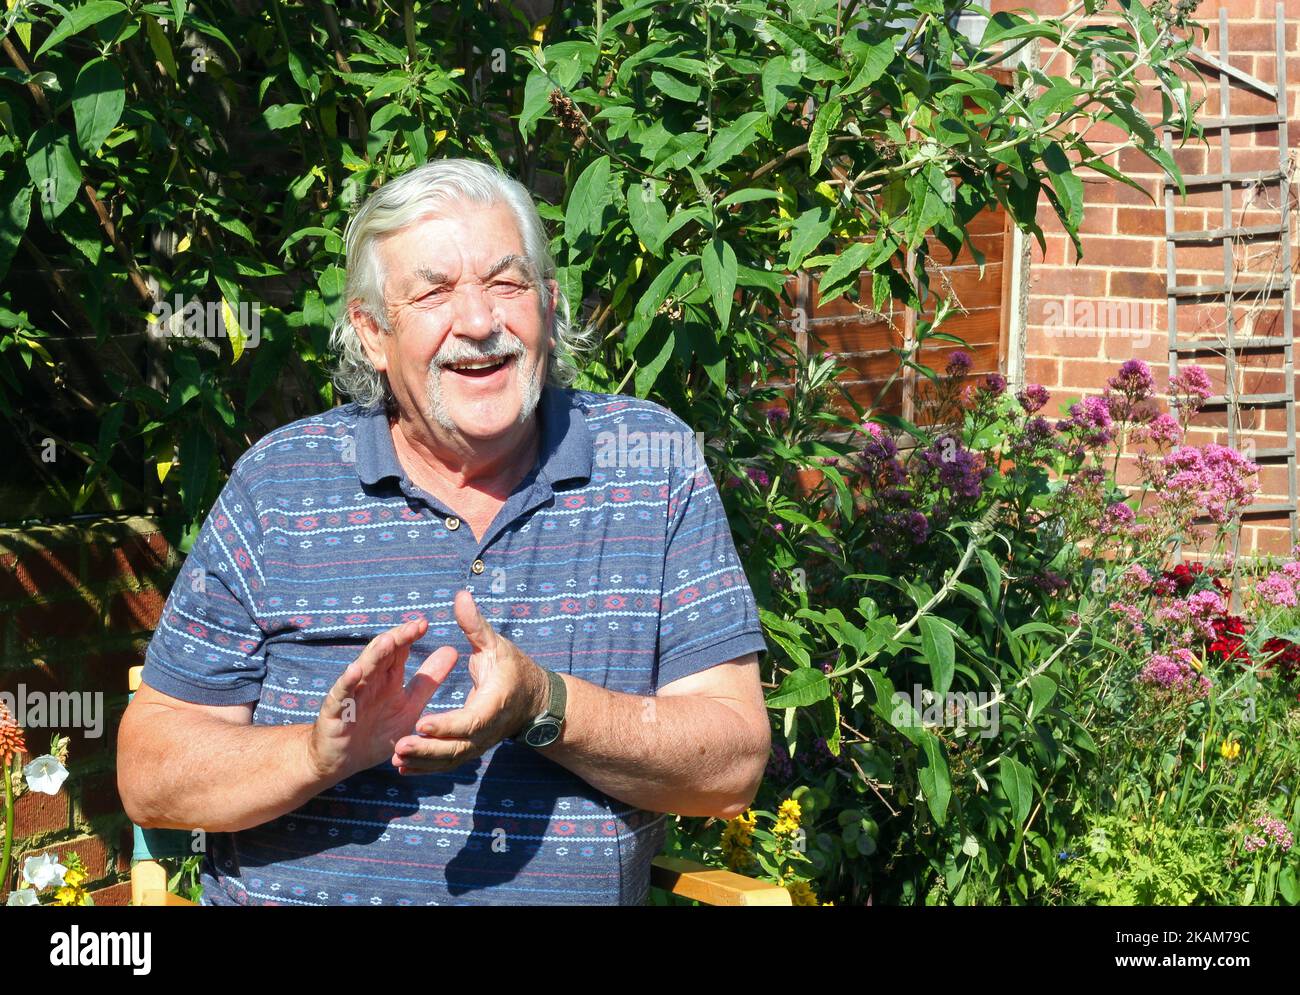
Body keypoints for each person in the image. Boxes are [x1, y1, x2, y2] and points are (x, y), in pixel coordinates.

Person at [117, 157, 771, 905]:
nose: (480, 322)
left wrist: (546, 706)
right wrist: (319, 753)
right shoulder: (279, 487)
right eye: (434, 291)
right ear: (372, 332)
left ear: (549, 305)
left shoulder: (650, 465)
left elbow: (731, 765)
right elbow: (149, 776)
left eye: (507, 282)